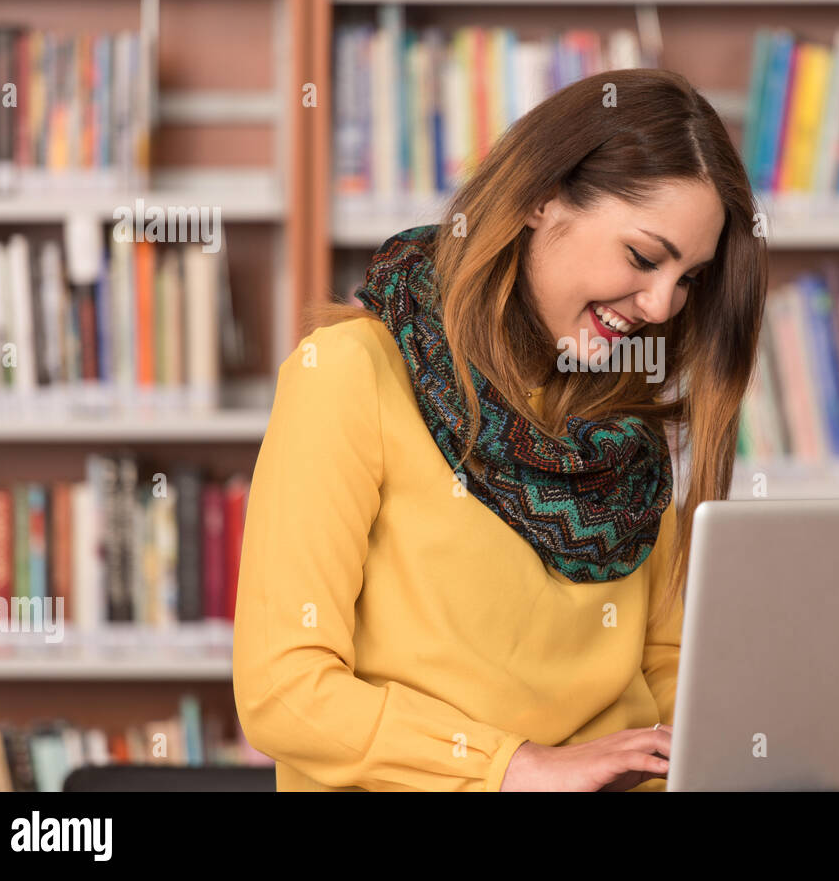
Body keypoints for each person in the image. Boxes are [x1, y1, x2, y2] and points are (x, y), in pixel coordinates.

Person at [231, 67, 767, 790]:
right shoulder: (348, 373)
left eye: (689, 279)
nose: (664, 306)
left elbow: (664, 672)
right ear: (541, 198)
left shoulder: (626, 424)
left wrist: (746, 754)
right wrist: (510, 766)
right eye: (643, 258)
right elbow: (284, 692)